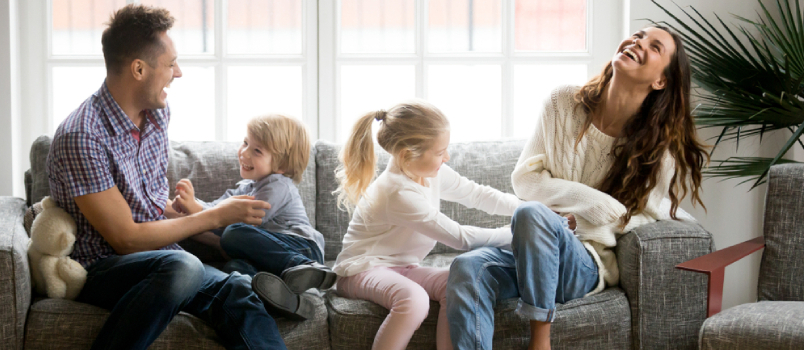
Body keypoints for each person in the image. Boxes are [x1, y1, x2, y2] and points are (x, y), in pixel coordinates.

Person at [445, 26, 708, 350]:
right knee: (467, 266)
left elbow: (650, 215)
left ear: (661, 81)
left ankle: (540, 340)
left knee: (532, 213)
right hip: (530, 252)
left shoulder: (659, 149)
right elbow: (524, 180)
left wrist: (580, 221)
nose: (638, 42)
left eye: (654, 47)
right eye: (638, 35)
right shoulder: (563, 103)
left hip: (584, 262)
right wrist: (593, 203)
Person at [46, 5, 290, 350]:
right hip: (101, 267)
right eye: (171, 63)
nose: (179, 73)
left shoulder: (156, 116)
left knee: (237, 289)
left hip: (165, 259)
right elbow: (125, 239)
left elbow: (155, 203)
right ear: (139, 69)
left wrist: (208, 220)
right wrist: (217, 215)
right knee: (183, 266)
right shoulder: (82, 135)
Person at [332, 100, 524, 350]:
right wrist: (518, 234)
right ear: (406, 154)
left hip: (403, 267)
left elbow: (477, 195)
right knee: (414, 300)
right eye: (439, 151)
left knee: (455, 286)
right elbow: (459, 237)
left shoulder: (430, 173)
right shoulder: (398, 192)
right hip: (360, 270)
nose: (447, 157)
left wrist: (528, 208)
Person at [172, 113, 335, 321]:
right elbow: (216, 210)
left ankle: (304, 267)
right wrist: (192, 205)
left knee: (234, 234)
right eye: (245, 143)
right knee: (235, 271)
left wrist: (195, 209)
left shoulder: (277, 185)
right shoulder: (244, 188)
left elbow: (235, 221)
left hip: (301, 248)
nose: (244, 153)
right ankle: (291, 302)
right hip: (270, 262)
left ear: (282, 165)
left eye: (256, 150)